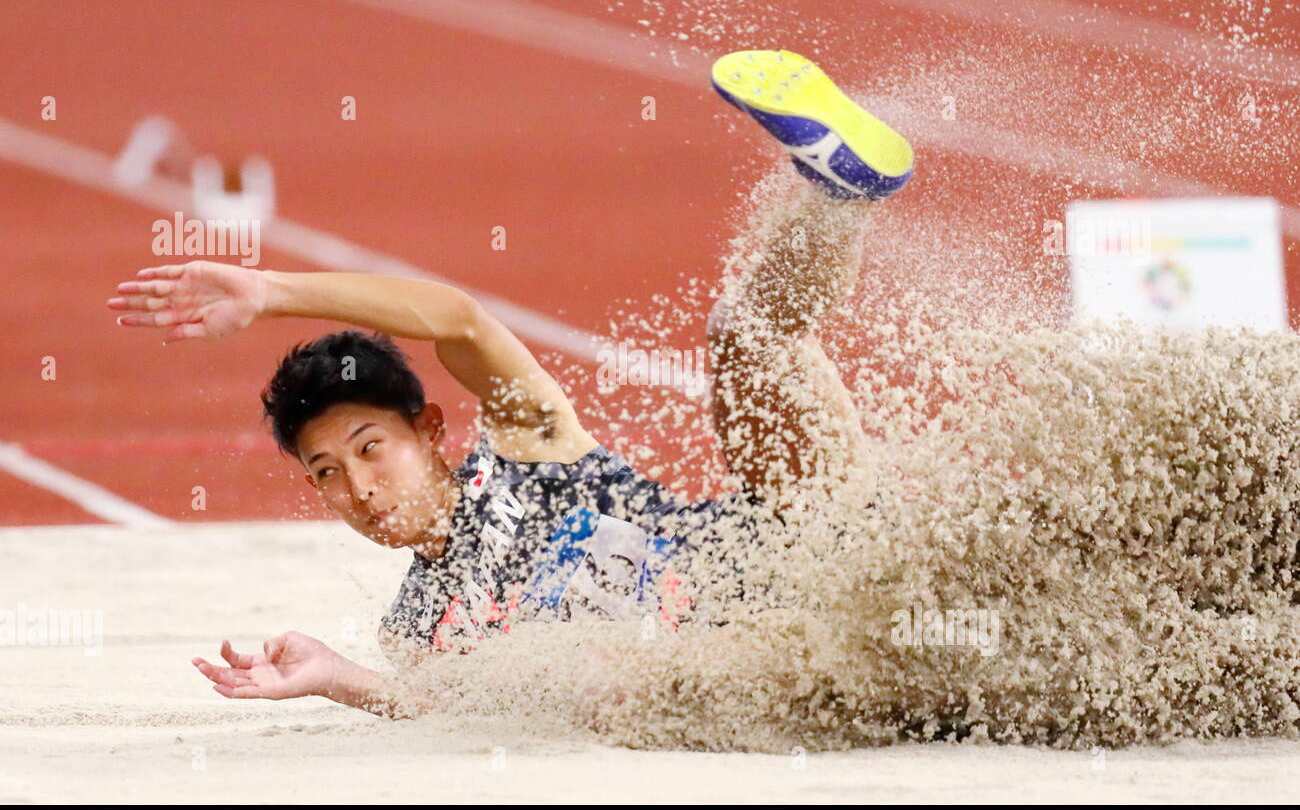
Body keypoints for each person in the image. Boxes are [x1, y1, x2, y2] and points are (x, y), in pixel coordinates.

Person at [103, 49, 914, 717]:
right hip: (766, 673)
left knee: (742, 333)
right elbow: (460, 710)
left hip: (802, 555)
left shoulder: (530, 448)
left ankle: (837, 196)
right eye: (327, 475)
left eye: (368, 447)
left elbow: (458, 321)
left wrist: (276, 293)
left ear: (430, 432)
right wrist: (332, 674)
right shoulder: (417, 629)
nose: (357, 487)